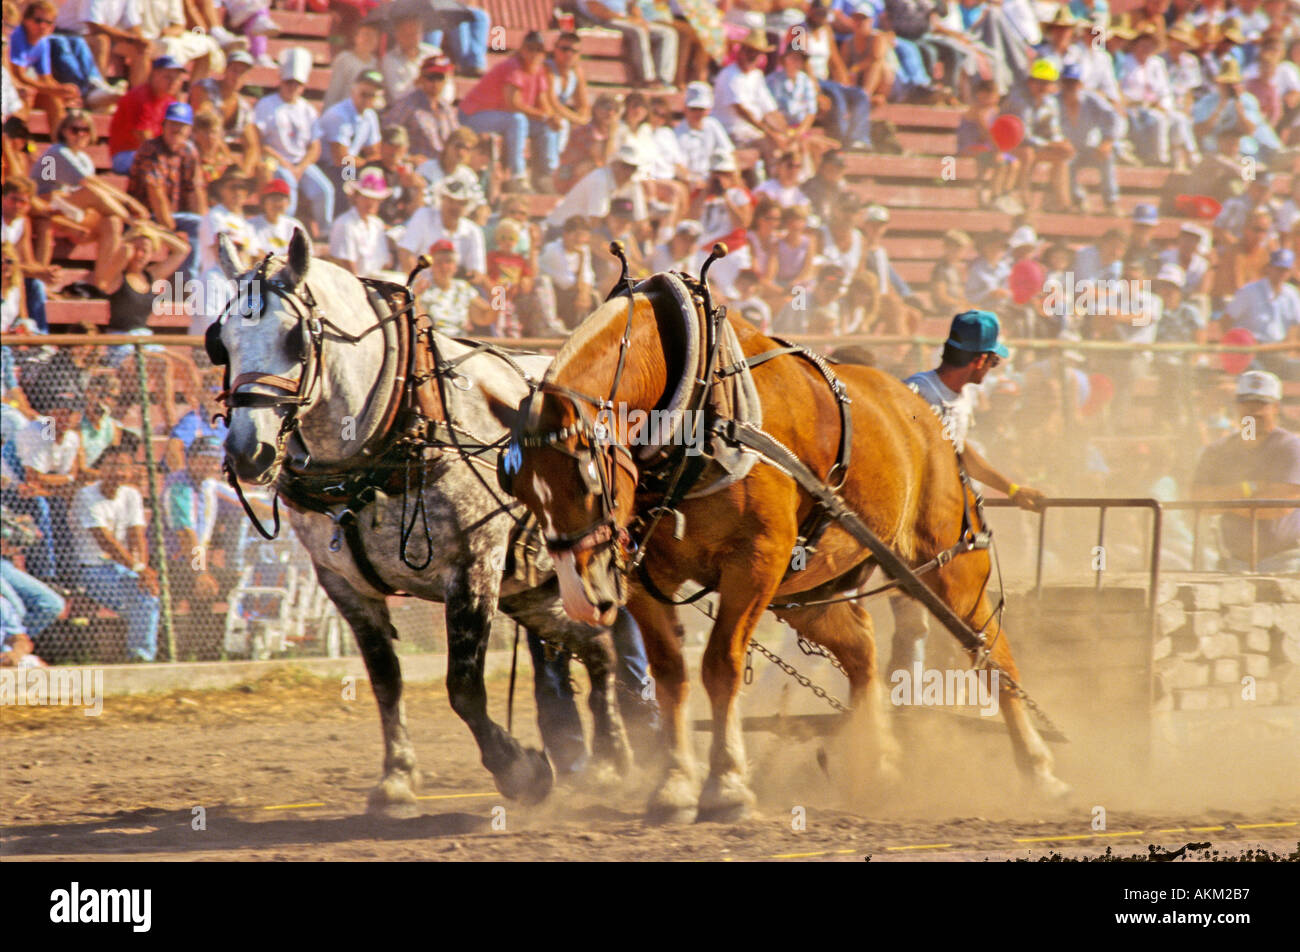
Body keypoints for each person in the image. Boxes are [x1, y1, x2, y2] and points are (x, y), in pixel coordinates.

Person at [890, 310, 1045, 679]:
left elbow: (960, 451)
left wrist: (1011, 489)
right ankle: (901, 704)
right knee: (914, 622)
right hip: (910, 524)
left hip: (948, 524)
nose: (992, 367)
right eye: (992, 360)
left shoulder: (963, 400)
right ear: (978, 360)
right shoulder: (916, 392)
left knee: (945, 618)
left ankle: (918, 700)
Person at [527, 607, 660, 777]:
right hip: (544, 599)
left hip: (612, 595)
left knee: (633, 671)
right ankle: (571, 769)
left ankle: (651, 753)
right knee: (551, 683)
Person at [1192, 370, 1300, 571]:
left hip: (1284, 561)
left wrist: (1224, 500)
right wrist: (1249, 488)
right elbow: (1198, 502)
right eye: (1247, 403)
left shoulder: (1290, 446)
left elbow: (1279, 506)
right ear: (1237, 406)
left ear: (1275, 407)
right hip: (1234, 561)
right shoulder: (1219, 450)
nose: (1254, 411)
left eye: (1261, 404)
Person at [69, 442, 160, 661]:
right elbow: (105, 541)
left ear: (130, 471)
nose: (117, 472)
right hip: (89, 568)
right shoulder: (86, 495)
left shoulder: (131, 494)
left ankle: (141, 657)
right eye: (111, 465)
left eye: (123, 466)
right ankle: (136, 654)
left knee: (149, 597)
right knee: (138, 604)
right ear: (101, 469)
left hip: (123, 566)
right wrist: (139, 568)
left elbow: (137, 536)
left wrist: (143, 570)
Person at [457, 30, 558, 194]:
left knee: (546, 127)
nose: (534, 54)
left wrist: (551, 118)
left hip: (500, 118)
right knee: (517, 120)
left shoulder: (539, 70)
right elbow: (513, 104)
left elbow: (544, 103)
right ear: (522, 49)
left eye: (538, 50)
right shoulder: (513, 66)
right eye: (530, 48)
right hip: (473, 116)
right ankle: (516, 176)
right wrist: (545, 116)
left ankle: (544, 176)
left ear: (543, 53)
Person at [253, 48, 333, 239]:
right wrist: (286, 163)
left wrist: (301, 166)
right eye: (288, 82)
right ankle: (283, 233)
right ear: (281, 82)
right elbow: (259, 141)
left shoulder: (307, 109)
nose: (292, 88)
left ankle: (324, 232)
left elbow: (315, 146)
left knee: (325, 189)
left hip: (301, 163)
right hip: (277, 160)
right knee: (288, 188)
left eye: (297, 84)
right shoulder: (267, 104)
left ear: (303, 86)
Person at [125, 99, 205, 281]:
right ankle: (186, 283)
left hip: (176, 217)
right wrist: (171, 232)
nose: (177, 129)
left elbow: (195, 192)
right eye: (173, 124)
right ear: (163, 125)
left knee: (203, 226)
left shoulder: (189, 151)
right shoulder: (151, 149)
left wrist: (206, 225)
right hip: (146, 217)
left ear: (189, 129)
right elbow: (156, 194)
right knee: (193, 231)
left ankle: (188, 282)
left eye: (182, 125)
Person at [711, 29, 792, 161]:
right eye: (749, 51)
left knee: (794, 145)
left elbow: (770, 110)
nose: (752, 56)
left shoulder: (756, 75)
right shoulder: (729, 75)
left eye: (756, 53)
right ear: (741, 51)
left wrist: (786, 132)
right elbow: (742, 111)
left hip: (752, 132)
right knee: (771, 146)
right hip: (731, 132)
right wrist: (771, 134)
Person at [1222, 248, 1300, 379]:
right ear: (1269, 268)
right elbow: (1226, 319)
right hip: (1250, 352)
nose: (1281, 273)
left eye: (1285, 270)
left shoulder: (1291, 294)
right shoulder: (1250, 291)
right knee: (1257, 376)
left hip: (1277, 351)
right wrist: (1236, 348)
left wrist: (1289, 349)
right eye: (1278, 268)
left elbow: (1294, 325)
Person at [314, 69, 383, 210]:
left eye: (372, 95)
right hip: (328, 166)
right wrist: (365, 163)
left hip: (351, 164)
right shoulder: (339, 114)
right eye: (364, 94)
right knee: (348, 186)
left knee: (377, 177)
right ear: (353, 91)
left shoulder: (370, 115)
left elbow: (375, 152)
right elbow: (340, 158)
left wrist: (366, 165)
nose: (367, 99)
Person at [1058, 63, 1121, 214]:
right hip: (1066, 149)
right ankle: (1078, 199)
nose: (1070, 86)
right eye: (1067, 82)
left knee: (1107, 157)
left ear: (1080, 84)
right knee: (1066, 160)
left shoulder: (1091, 100)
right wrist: (1060, 143)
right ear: (1061, 83)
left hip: (1090, 147)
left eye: (1073, 82)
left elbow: (1114, 117)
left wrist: (1107, 141)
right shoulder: (1054, 101)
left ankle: (1110, 201)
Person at [107, 53, 184, 173]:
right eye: (168, 77)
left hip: (153, 153)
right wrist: (168, 159)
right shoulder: (140, 97)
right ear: (154, 75)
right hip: (126, 155)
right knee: (158, 164)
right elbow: (144, 138)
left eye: (177, 78)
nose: (173, 82)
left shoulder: (170, 101)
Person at [576, 0, 677, 89]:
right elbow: (596, 9)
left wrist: (639, 19)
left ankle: (663, 79)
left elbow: (632, 5)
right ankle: (647, 78)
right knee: (638, 31)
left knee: (668, 33)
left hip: (625, 21)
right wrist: (628, 20)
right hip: (602, 22)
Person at [382, 52, 458, 162]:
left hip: (443, 166)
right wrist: (408, 158)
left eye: (440, 77)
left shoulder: (447, 109)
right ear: (421, 78)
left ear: (446, 80)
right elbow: (386, 135)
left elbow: (456, 138)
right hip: (417, 167)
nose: (435, 83)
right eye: (431, 77)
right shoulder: (407, 105)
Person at [412, 238, 492, 335]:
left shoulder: (463, 287)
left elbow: (484, 318)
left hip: (460, 344)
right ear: (431, 267)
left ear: (455, 266)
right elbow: (421, 325)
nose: (444, 266)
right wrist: (415, 298)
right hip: (434, 344)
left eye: (449, 261)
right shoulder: (423, 288)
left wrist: (500, 299)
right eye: (439, 262)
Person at [327, 166, 392, 278]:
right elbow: (346, 266)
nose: (370, 203)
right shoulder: (344, 223)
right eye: (366, 197)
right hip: (351, 284)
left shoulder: (377, 224)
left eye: (375, 199)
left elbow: (383, 264)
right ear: (356, 197)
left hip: (374, 282)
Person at [538, 214, 597, 326]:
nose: (579, 240)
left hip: (571, 292)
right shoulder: (553, 250)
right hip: (553, 293)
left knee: (593, 297)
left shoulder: (584, 249)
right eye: (576, 235)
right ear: (565, 235)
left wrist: (584, 294)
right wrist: (582, 259)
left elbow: (589, 277)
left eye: (583, 236)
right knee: (575, 297)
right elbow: (567, 283)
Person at [673, 80, 733, 190]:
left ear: (708, 110)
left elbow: (729, 152)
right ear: (685, 109)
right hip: (692, 184)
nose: (698, 113)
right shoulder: (677, 133)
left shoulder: (713, 125)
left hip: (715, 179)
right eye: (694, 109)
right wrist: (694, 181)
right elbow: (679, 167)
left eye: (701, 109)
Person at [247, 178, 305, 255]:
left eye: (280, 199)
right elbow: (256, 254)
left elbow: (305, 253)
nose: (277, 204)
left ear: (288, 203)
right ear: (264, 202)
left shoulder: (294, 225)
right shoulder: (251, 225)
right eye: (273, 199)